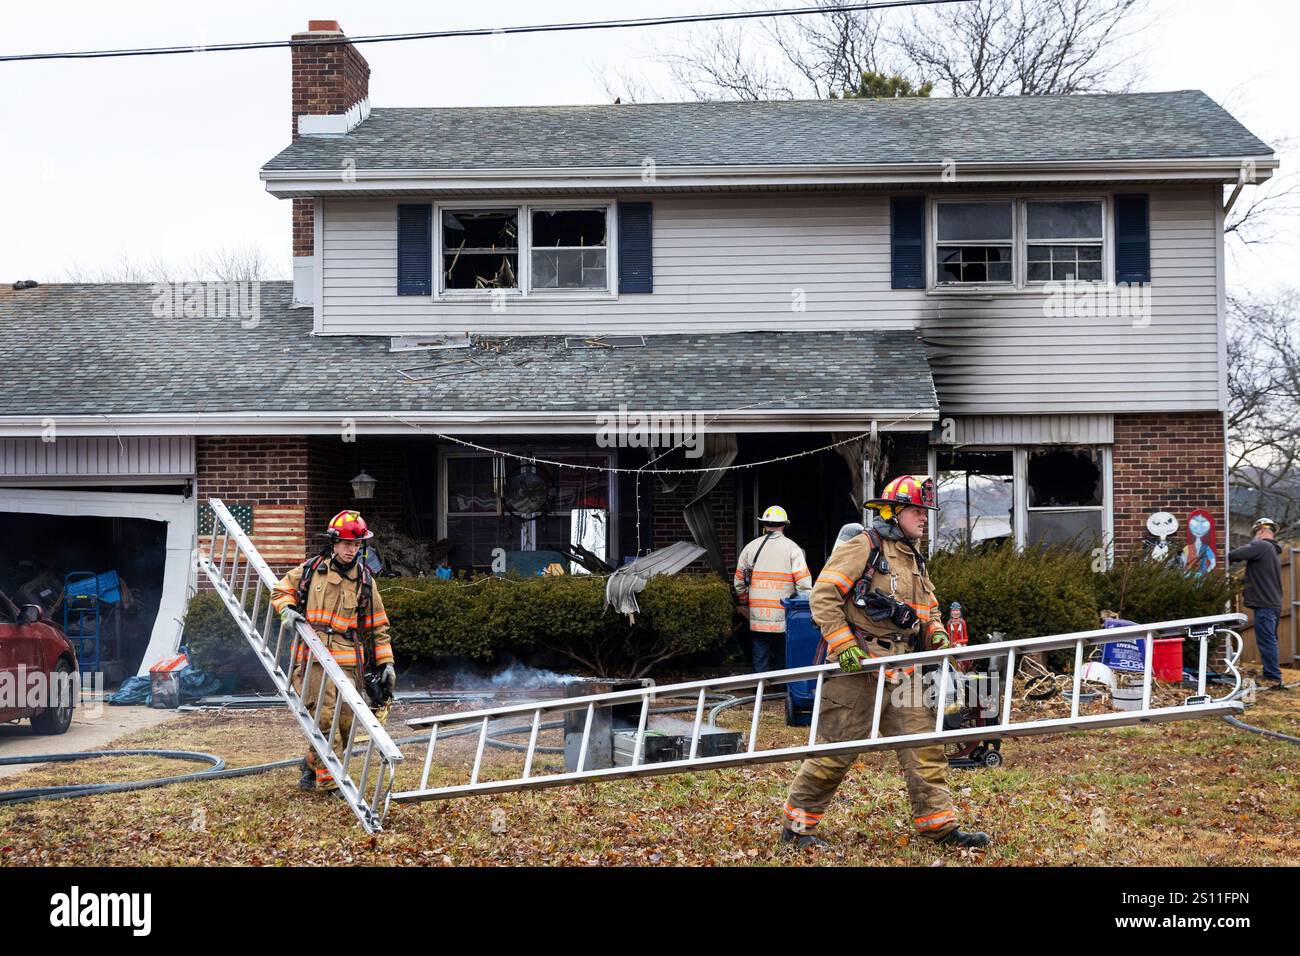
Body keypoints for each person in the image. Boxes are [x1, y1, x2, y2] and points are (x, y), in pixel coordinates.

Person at [781, 475, 990, 851]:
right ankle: (797, 830)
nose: (924, 518)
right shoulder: (863, 545)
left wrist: (937, 634)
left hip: (903, 670)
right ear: (894, 513)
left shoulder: (913, 558)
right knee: (834, 753)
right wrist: (843, 645)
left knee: (925, 748)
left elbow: (929, 611)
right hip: (858, 669)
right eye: (917, 511)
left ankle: (939, 829)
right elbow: (823, 596)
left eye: (925, 512)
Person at [271, 510, 396, 794]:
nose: (352, 550)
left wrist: (386, 662)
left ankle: (310, 763)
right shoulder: (311, 570)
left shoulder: (365, 581)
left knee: (347, 723)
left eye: (356, 544)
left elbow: (378, 626)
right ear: (334, 542)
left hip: (349, 662)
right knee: (324, 718)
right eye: (347, 543)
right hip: (313, 658)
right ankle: (332, 783)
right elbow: (280, 591)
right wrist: (287, 612)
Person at [733, 506, 813, 673]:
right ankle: (781, 686)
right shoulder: (793, 549)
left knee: (759, 652)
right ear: (784, 525)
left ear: (764, 525)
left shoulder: (750, 548)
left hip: (757, 613)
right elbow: (804, 586)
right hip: (783, 614)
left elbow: (739, 582)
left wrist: (745, 601)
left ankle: (759, 686)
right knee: (782, 653)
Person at [1229, 518, 1287, 691]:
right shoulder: (1272, 551)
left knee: (1266, 640)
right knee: (1269, 639)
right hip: (1272, 602)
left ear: (1260, 531)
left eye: (1255, 533)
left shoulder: (1262, 546)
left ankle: (1272, 677)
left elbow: (1233, 555)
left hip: (1265, 604)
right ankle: (1272, 674)